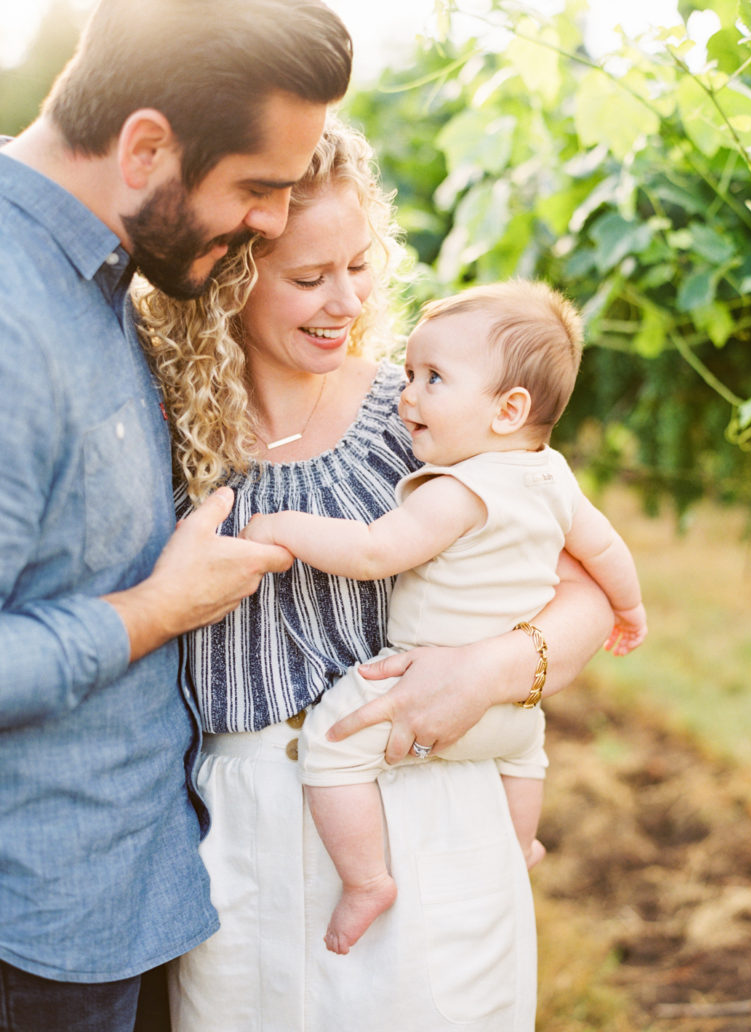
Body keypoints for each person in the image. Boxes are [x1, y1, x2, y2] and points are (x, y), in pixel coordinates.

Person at [138, 118, 614, 1032]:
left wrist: (488, 671)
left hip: (417, 800)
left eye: (359, 264)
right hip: (235, 837)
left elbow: (587, 590)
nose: (346, 299)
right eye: (309, 278)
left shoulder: (427, 415)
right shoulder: (165, 431)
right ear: (229, 275)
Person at [0, 1, 351, 1029]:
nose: (274, 222)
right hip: (37, 939)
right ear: (146, 148)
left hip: (129, 894)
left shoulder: (101, 274)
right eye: (257, 188)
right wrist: (163, 607)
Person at [244, 278, 648, 954]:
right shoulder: (553, 477)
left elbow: (373, 551)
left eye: (432, 378)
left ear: (508, 409)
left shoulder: (458, 489)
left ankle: (367, 880)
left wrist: (282, 527)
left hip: (420, 693)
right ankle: (521, 845)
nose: (408, 395)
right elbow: (605, 551)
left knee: (332, 746)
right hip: (514, 715)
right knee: (526, 757)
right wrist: (629, 611)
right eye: (408, 374)